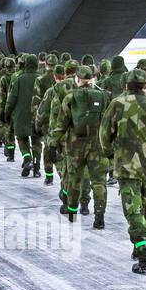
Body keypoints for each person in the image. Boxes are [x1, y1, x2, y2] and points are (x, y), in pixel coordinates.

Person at [99, 68, 146, 273]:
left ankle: (143, 253)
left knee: (133, 210)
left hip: (126, 166)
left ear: (126, 85)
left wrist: (111, 155)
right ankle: (142, 238)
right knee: (145, 207)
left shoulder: (117, 105)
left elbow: (104, 135)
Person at [56, 66, 111, 227]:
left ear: (77, 80)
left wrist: (53, 143)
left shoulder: (70, 97)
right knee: (99, 182)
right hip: (97, 145)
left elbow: (61, 124)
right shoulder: (103, 97)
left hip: (75, 146)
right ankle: (99, 215)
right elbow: (108, 122)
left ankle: (73, 212)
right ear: (92, 79)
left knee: (74, 179)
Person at [5, 53, 42, 177]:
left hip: (22, 115)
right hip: (37, 116)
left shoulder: (20, 79)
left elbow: (12, 98)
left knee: (22, 139)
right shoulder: (41, 78)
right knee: (37, 142)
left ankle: (27, 158)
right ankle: (36, 169)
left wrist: (7, 112)